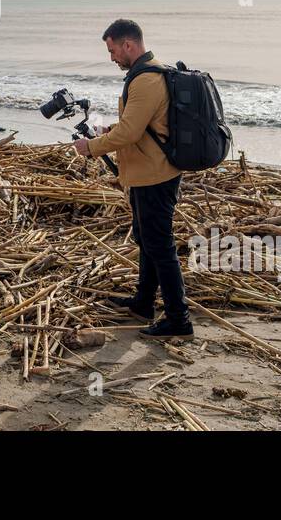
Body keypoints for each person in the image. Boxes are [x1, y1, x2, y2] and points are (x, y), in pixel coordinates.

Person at [74, 19, 193, 340]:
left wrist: (91, 148)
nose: (112, 57)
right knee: (147, 240)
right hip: (147, 173)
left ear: (129, 45)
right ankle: (143, 303)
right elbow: (140, 124)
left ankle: (179, 320)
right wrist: (110, 130)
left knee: (160, 246)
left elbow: (132, 132)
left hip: (155, 176)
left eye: (113, 50)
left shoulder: (145, 80)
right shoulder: (148, 74)